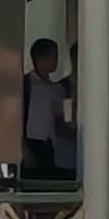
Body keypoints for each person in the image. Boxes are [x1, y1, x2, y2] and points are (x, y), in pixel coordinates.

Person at [22, 36, 73, 180]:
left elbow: (61, 119)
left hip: (52, 145)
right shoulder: (26, 85)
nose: (55, 60)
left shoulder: (58, 89)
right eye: (53, 55)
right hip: (32, 142)